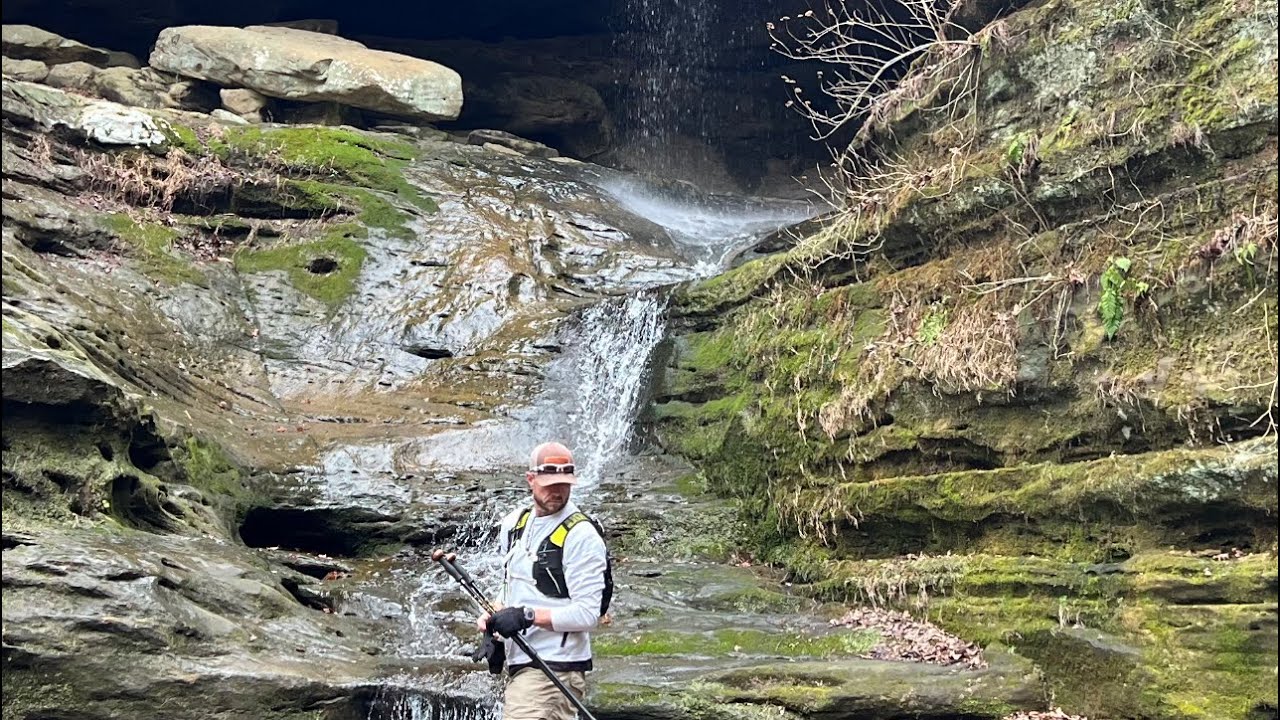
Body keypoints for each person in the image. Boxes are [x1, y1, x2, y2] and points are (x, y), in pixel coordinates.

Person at [476, 441, 612, 720]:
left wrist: (527, 616)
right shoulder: (514, 524)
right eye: (549, 483)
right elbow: (510, 588)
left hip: (555, 672)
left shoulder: (582, 536)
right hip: (521, 665)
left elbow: (588, 615)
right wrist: (494, 614)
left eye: (564, 483)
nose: (557, 491)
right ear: (531, 479)